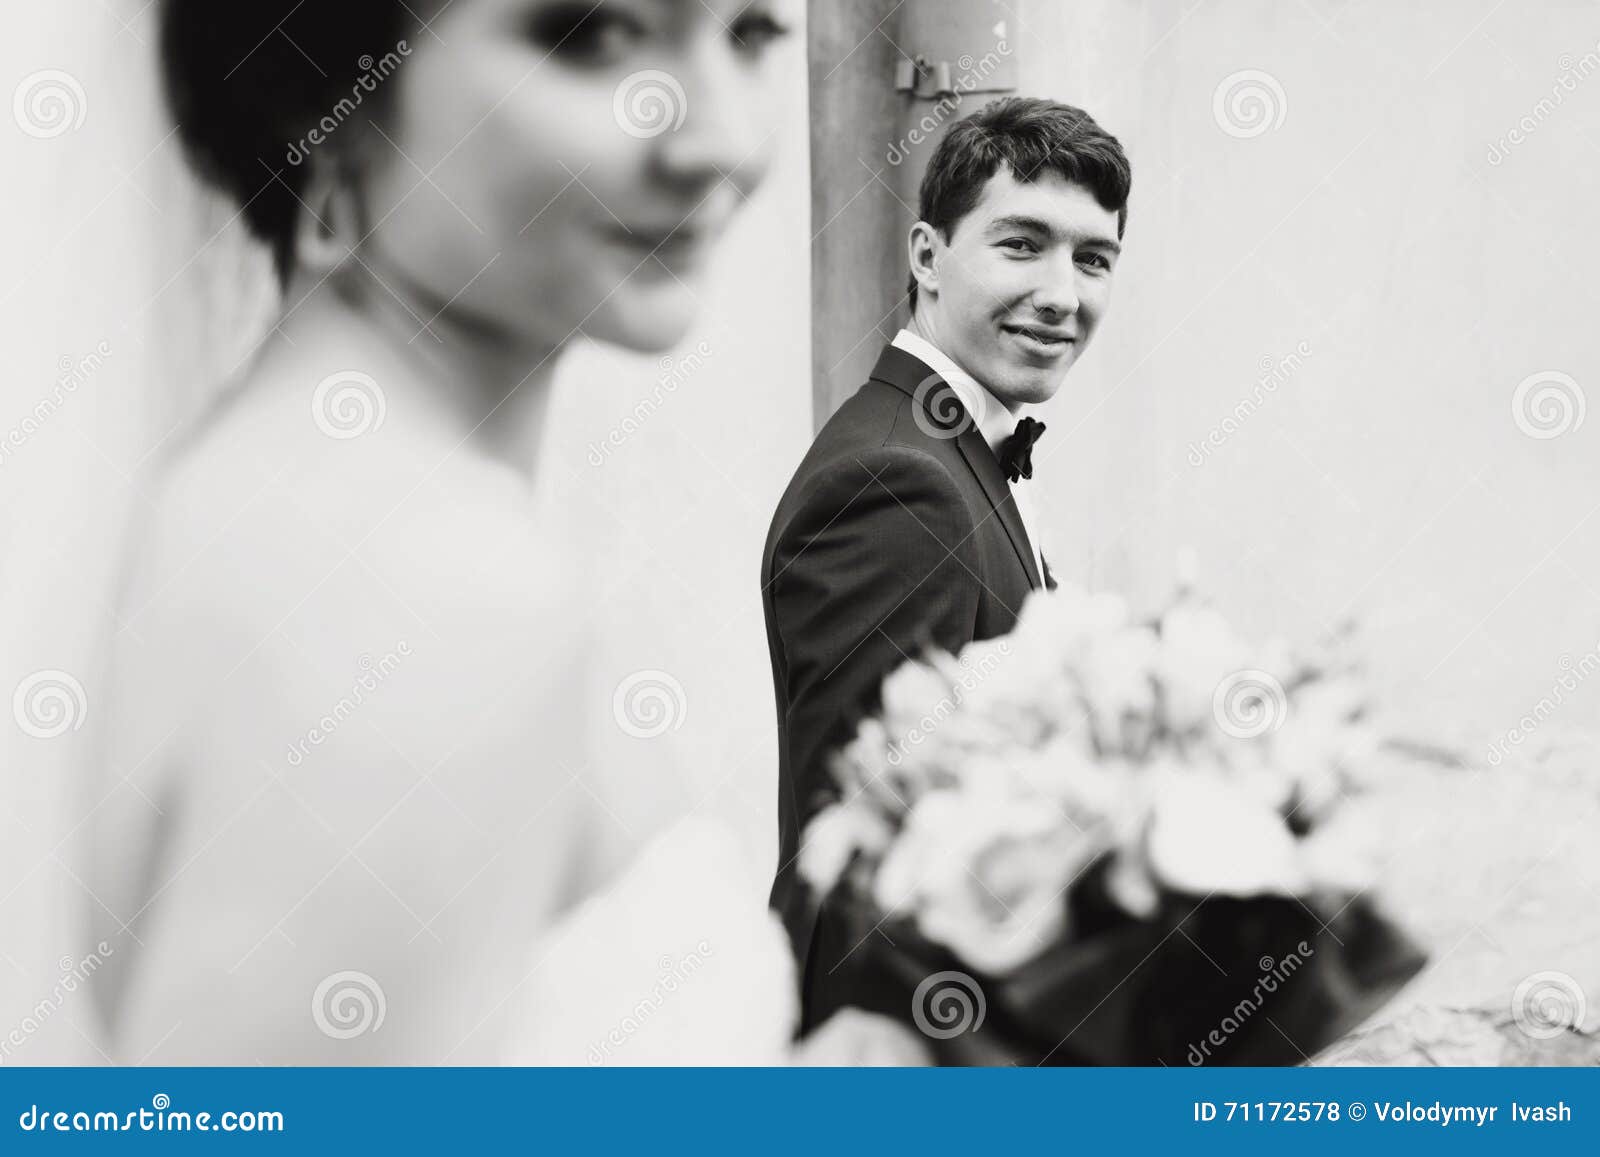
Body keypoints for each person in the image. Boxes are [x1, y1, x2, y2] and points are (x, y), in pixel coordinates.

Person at [85, 0, 918, 1064]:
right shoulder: (422, 590)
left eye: (749, 33)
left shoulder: (286, 484)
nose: (723, 138)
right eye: (590, 36)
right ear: (325, 92)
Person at [761, 97, 1133, 1030]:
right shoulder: (897, 482)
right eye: (1023, 244)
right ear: (927, 257)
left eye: (1094, 259)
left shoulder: (957, 452)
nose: (1063, 293)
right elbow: (863, 860)